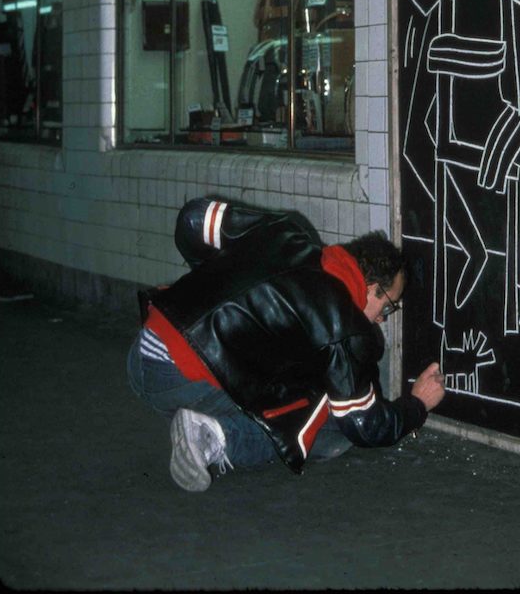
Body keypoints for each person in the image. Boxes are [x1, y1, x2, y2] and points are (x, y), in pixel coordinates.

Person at [127, 196, 446, 491]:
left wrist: (212, 280)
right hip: (174, 379)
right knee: (324, 419)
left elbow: (193, 219)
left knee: (299, 367)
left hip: (144, 350)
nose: (381, 319)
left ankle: (203, 420)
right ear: (372, 287)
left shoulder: (284, 230)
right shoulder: (345, 327)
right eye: (388, 306)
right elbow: (364, 425)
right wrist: (417, 404)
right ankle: (212, 436)